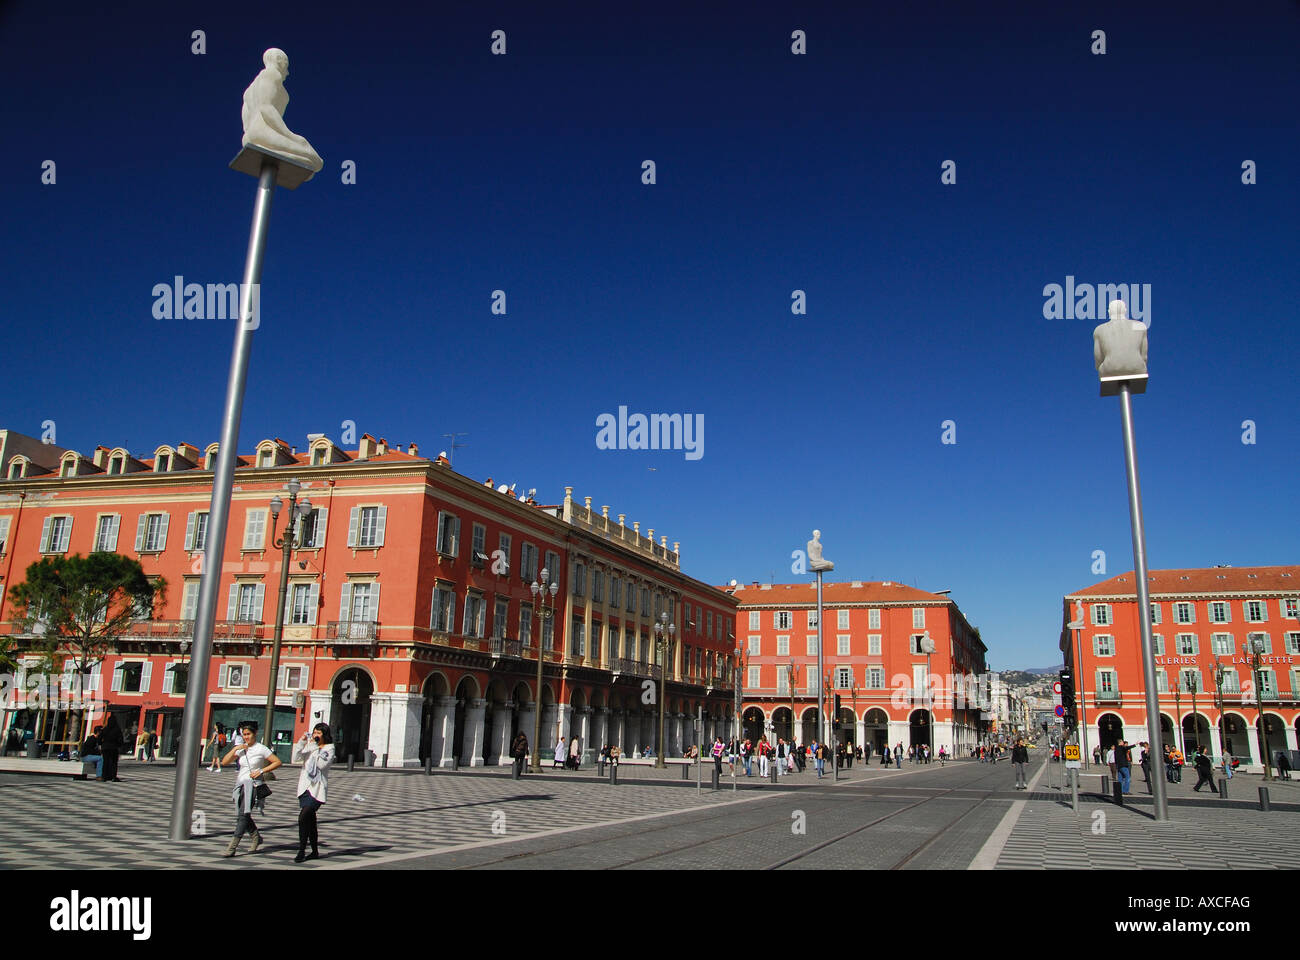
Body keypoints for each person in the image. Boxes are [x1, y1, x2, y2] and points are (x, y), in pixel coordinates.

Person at [221, 721, 281, 857]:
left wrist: (261, 771)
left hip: (253, 786)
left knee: (243, 815)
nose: (246, 737)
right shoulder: (242, 748)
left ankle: (232, 847)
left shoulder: (261, 748)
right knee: (243, 815)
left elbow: (277, 762)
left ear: (255, 734)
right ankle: (256, 837)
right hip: (240, 785)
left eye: (248, 734)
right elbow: (224, 762)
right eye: (244, 735)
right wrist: (235, 749)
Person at [292, 723, 334, 862]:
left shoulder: (329, 748)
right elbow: (296, 757)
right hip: (305, 786)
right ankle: (315, 851)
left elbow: (322, 765)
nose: (316, 735)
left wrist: (315, 748)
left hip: (317, 788)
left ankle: (301, 850)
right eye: (315, 732)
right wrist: (302, 741)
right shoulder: (309, 745)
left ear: (324, 735)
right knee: (310, 821)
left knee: (303, 817)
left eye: (319, 733)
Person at [100, 717, 124, 781]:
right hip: (113, 747)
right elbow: (120, 739)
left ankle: (104, 776)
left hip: (105, 747)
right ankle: (113, 776)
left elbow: (99, 738)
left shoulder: (105, 729)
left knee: (105, 762)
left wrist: (102, 744)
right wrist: (119, 745)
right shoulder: (117, 730)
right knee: (113, 763)